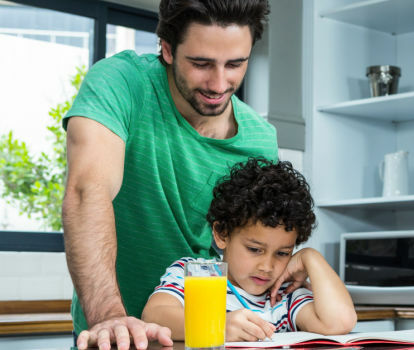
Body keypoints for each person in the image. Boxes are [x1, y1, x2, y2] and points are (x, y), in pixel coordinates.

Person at [62, 1, 275, 349]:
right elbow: (88, 191)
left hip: (209, 335)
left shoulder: (261, 141)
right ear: (167, 49)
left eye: (235, 64)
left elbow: (252, 246)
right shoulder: (122, 82)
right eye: (202, 63)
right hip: (116, 334)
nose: (220, 83)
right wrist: (109, 317)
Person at [141, 158, 357, 341]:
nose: (267, 266)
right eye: (254, 249)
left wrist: (311, 258)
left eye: (283, 253)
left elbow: (339, 323)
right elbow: (154, 315)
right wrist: (219, 327)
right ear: (222, 234)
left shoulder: (284, 296)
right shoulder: (197, 274)